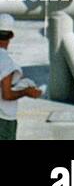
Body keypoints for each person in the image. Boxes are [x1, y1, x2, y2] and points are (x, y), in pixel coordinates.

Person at [1, 13, 42, 141]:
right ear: (11, 36)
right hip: (3, 120)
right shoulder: (5, 61)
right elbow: (6, 95)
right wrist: (26, 91)